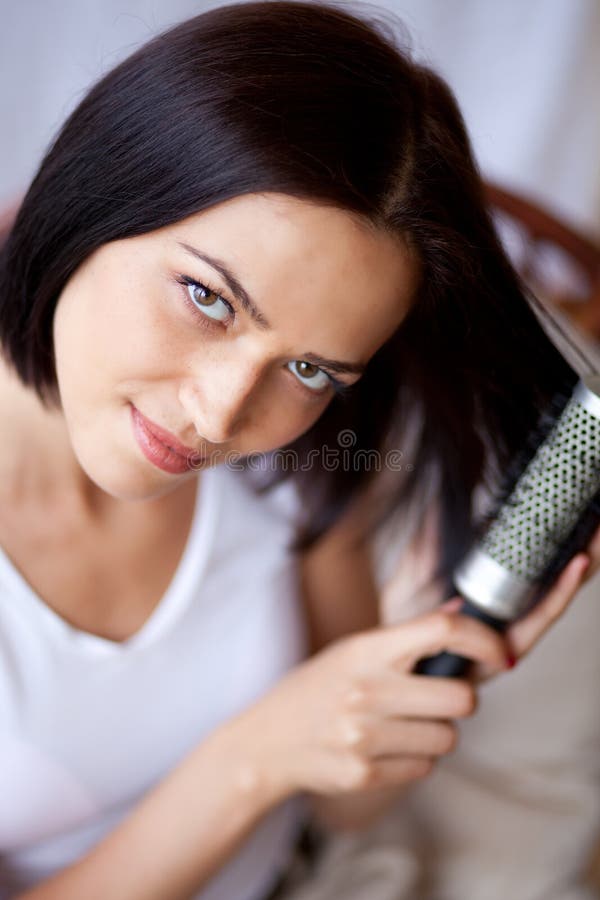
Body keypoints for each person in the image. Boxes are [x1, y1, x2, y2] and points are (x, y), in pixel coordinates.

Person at [0, 2, 597, 898]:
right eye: (206, 297)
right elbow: (276, 755)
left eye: (312, 366)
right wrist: (253, 757)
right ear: (96, 192)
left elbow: (349, 810)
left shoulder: (303, 462)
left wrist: (436, 665)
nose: (220, 414)